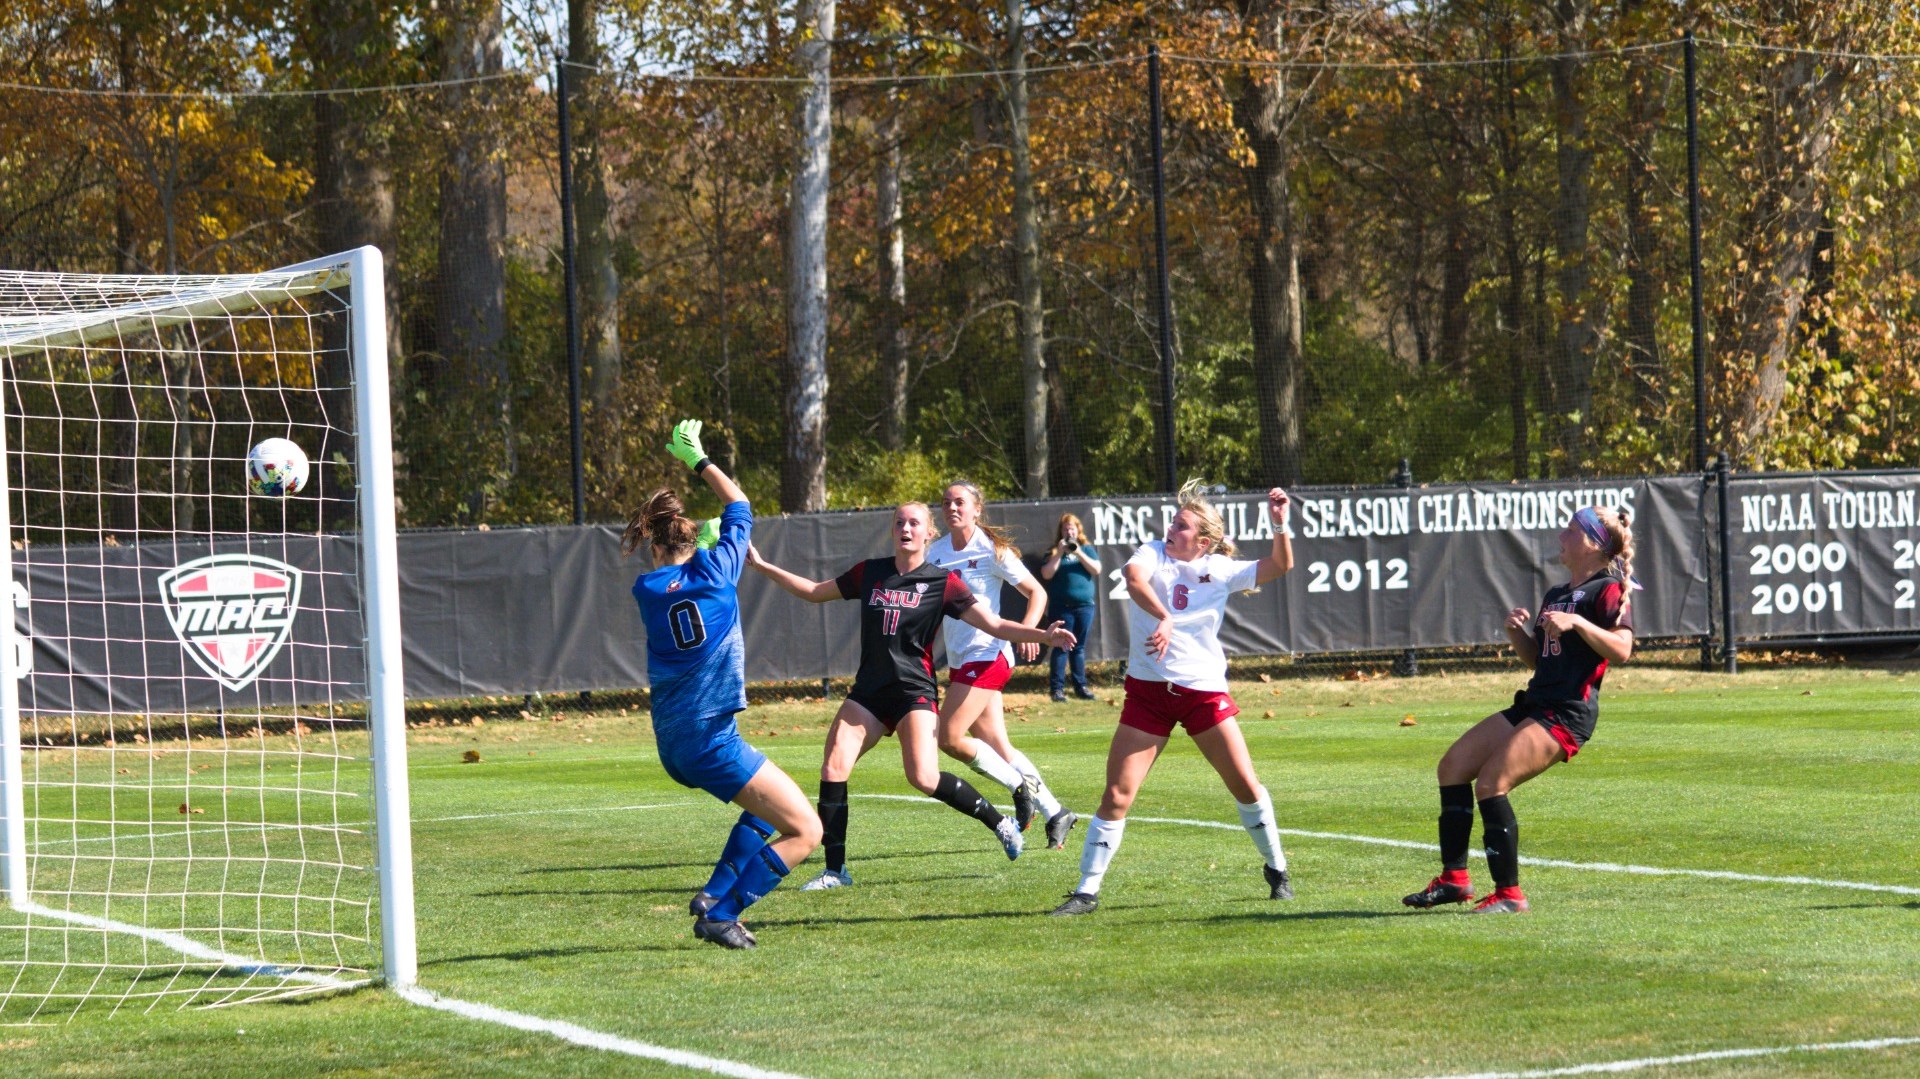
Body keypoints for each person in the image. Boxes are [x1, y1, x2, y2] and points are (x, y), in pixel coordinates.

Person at [748, 501, 1079, 891]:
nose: (906, 527)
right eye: (900, 522)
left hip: (913, 692)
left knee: (923, 777)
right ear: (894, 530)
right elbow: (815, 592)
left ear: (927, 534)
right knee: (833, 767)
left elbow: (993, 623)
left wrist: (1043, 635)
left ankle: (999, 821)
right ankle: (835, 871)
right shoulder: (870, 572)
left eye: (914, 523)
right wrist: (764, 566)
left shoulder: (942, 582)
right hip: (869, 692)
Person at [1050, 481, 1296, 916]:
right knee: (1116, 794)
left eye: (1181, 526)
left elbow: (1280, 565)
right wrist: (1165, 616)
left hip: (1201, 693)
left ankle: (1277, 868)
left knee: (1244, 784)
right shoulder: (1152, 551)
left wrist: (1280, 523)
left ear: (1203, 541)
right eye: (1172, 521)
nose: (1170, 529)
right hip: (1148, 693)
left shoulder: (1219, 569)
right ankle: (1086, 892)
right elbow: (1132, 578)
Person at [627, 420, 822, 950]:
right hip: (711, 742)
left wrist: (703, 535)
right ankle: (724, 914)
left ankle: (713, 894)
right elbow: (741, 507)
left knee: (765, 811)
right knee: (807, 831)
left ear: (653, 548)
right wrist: (701, 461)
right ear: (697, 544)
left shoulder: (646, 591)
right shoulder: (717, 572)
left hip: (674, 744)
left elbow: (716, 532)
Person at [1402, 506, 1636, 915]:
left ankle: (1510, 895)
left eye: (1571, 529)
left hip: (1566, 714)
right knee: (1452, 767)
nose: (1561, 534)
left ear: (1594, 544)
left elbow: (1622, 650)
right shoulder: (1558, 593)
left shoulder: (1608, 589)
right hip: (1535, 703)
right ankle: (1454, 880)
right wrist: (1516, 634)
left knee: (1492, 783)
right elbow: (1540, 662)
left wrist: (1577, 624)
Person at [927, 481, 1077, 849]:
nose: (951, 508)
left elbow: (1036, 591)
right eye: (946, 502)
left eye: (959, 502)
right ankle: (1056, 812)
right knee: (996, 745)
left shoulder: (992, 549)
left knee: (948, 737)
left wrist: (1027, 631)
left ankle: (1018, 788)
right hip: (962, 659)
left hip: (989, 654)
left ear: (977, 509)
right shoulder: (936, 552)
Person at [1039, 512, 1101, 703]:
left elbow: (1096, 569)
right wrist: (1059, 553)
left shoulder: (1087, 549)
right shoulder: (1053, 551)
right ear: (1061, 531)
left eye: (1072, 528)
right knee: (1061, 647)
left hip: (1084, 607)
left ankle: (1081, 686)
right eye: (1065, 528)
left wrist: (1078, 552)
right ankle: (1057, 689)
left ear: (1078, 529)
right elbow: (1046, 574)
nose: (1069, 531)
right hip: (1062, 607)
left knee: (1078, 648)